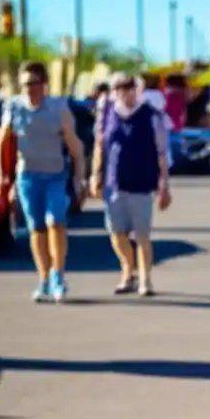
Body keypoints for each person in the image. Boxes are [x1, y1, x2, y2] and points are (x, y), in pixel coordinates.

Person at [0, 61, 87, 303]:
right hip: (28, 177)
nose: (29, 89)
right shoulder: (14, 108)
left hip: (55, 175)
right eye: (25, 84)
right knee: (36, 229)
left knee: (56, 221)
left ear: (44, 85)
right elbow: (2, 143)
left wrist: (79, 178)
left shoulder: (58, 109)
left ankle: (59, 275)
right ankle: (43, 279)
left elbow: (75, 146)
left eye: (34, 83)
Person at [90, 72, 171, 297]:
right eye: (119, 87)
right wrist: (95, 175)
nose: (124, 92)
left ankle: (145, 279)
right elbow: (99, 146)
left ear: (137, 89)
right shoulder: (107, 113)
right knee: (117, 233)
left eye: (129, 87)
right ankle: (128, 270)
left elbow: (162, 152)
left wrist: (164, 184)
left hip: (142, 183)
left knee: (142, 235)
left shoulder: (150, 115)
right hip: (114, 183)